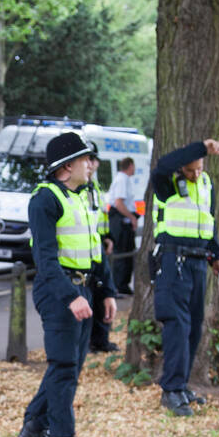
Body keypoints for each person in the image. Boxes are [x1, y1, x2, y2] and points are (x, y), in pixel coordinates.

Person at [17, 132, 115, 437]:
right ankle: (63, 436)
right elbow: (44, 259)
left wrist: (106, 292)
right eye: (86, 159)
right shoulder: (45, 199)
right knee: (63, 365)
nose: (91, 164)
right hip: (60, 291)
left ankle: (33, 424)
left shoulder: (82, 197)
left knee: (70, 365)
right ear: (67, 165)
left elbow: (95, 251)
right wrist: (69, 296)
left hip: (83, 288)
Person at [150, 137, 219, 416]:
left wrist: (216, 255)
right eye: (190, 169)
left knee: (194, 327)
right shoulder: (166, 182)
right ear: (182, 167)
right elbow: (162, 164)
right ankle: (170, 390)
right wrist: (200, 147)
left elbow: (210, 222)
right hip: (173, 262)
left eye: (199, 168)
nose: (195, 175)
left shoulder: (206, 185)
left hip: (198, 262)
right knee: (177, 326)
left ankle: (181, 385)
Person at [86, 150, 119, 353]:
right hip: (88, 247)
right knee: (94, 294)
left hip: (97, 243)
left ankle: (101, 339)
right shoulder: (82, 187)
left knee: (104, 293)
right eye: (87, 159)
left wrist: (107, 236)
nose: (90, 164)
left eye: (92, 159)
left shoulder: (94, 185)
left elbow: (99, 215)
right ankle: (93, 340)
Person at [105, 156, 140, 294]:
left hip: (123, 222)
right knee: (121, 255)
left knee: (126, 255)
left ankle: (122, 285)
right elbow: (119, 203)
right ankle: (118, 287)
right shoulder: (122, 180)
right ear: (130, 165)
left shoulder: (124, 179)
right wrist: (132, 217)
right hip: (120, 223)